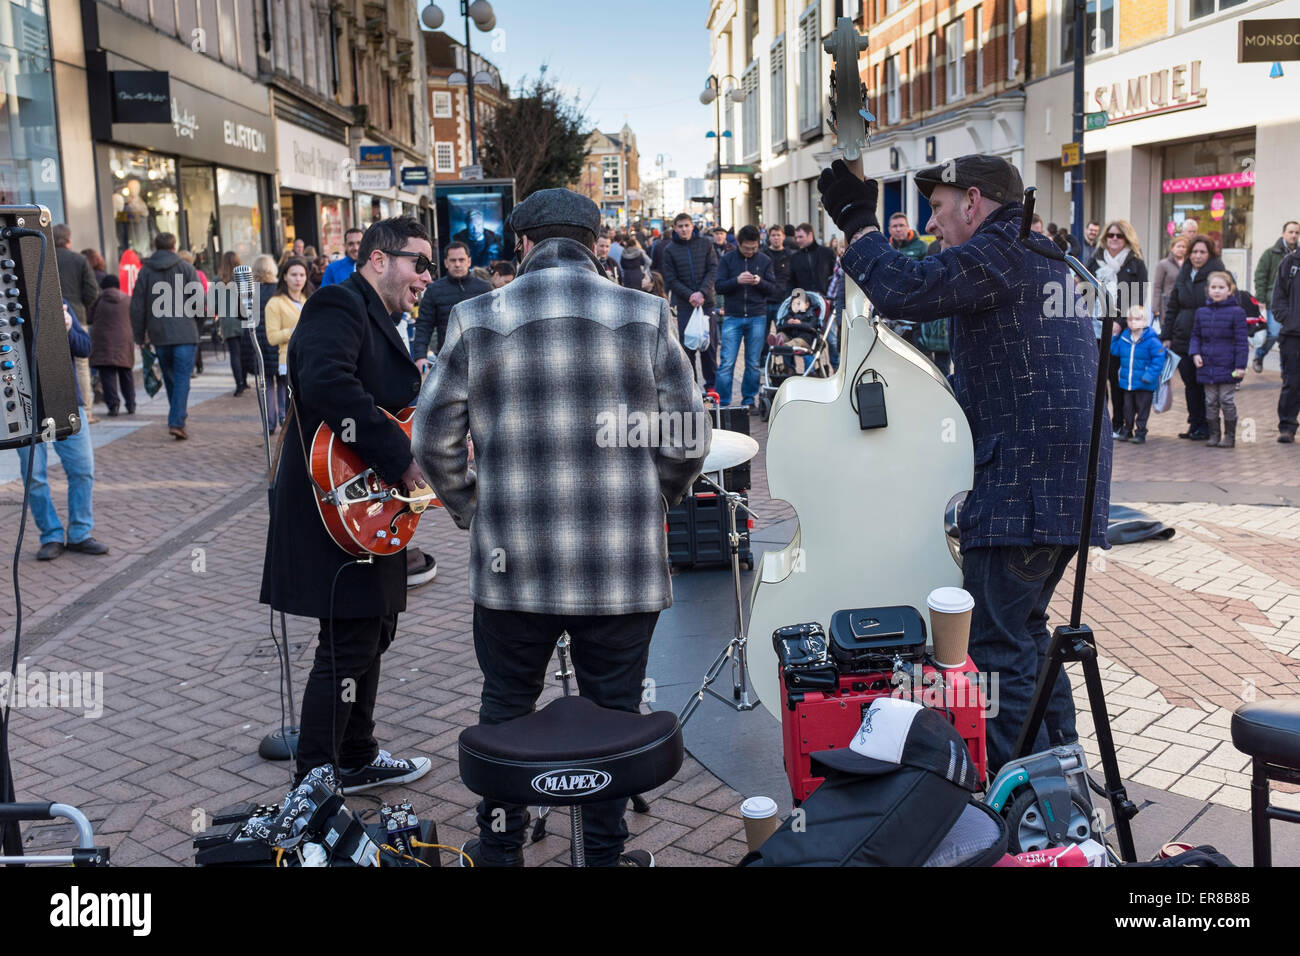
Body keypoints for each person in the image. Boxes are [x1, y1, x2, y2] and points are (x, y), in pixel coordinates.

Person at [412, 187, 710, 867]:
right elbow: (689, 436)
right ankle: (603, 855)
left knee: (506, 708)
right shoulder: (645, 313)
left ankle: (499, 849)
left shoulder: (475, 315)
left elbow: (431, 441)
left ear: (522, 243)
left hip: (511, 565)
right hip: (620, 566)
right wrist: (652, 496)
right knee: (613, 719)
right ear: (595, 241)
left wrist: (473, 507)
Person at [817, 153, 1110, 775]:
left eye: (940, 208)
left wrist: (858, 224)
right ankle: (1060, 777)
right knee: (1028, 634)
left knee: (996, 649)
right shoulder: (1033, 253)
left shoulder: (1001, 251)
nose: (933, 222)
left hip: (1025, 494)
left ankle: (1010, 794)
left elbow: (908, 287)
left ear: (973, 201)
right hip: (1056, 490)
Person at [261, 217, 435, 792]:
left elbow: (370, 391)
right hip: (334, 507)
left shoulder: (379, 316)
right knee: (346, 642)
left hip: (367, 506)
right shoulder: (339, 302)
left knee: (374, 627)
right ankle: (313, 782)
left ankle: (356, 755)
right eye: (419, 262)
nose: (426, 277)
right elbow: (328, 385)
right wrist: (400, 459)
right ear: (380, 259)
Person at [17, 301, 109, 560]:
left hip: (64, 398)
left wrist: (69, 328)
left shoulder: (56, 300)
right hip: (24, 404)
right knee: (33, 474)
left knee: (82, 468)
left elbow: (85, 347)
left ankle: (80, 533)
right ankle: (51, 534)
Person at [130, 232, 201, 440]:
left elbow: (137, 307)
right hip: (185, 333)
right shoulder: (186, 268)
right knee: (181, 378)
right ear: (174, 246)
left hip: (159, 333)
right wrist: (196, 323)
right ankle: (177, 420)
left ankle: (177, 416)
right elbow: (198, 301)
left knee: (171, 378)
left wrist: (139, 335)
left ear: (155, 246)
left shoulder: (145, 272)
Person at [1086, 220, 1149, 434]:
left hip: (1120, 329)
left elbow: (1138, 297)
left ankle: (1120, 422)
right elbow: (1085, 291)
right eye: (1111, 235)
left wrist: (1121, 322)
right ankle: (1101, 423)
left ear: (1127, 239)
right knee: (1097, 380)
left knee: (1116, 377)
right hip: (1095, 325)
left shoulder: (1136, 263)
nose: (1114, 239)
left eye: (1119, 236)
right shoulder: (1094, 260)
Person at [1164, 236, 1224, 441]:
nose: (1198, 256)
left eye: (1202, 252)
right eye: (1195, 252)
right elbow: (1172, 306)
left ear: (1210, 254)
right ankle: (1194, 424)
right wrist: (1167, 335)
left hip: (1207, 336)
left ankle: (1208, 426)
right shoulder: (1184, 273)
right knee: (1189, 382)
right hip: (1182, 334)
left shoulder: (1216, 274)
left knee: (1204, 383)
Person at [714, 225, 776, 408]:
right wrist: (736, 281)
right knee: (727, 362)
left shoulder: (764, 260)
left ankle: (749, 400)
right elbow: (718, 286)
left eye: (754, 248)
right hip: (733, 316)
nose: (750, 252)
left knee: (753, 362)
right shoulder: (727, 260)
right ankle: (723, 403)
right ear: (738, 244)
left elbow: (772, 289)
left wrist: (759, 282)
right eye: (747, 248)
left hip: (757, 316)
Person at [1189, 272, 1249, 448]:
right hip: (1207, 365)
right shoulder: (1202, 312)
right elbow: (1196, 336)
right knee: (1210, 401)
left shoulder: (1237, 312)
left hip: (1228, 365)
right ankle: (1214, 434)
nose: (1217, 291)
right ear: (1208, 290)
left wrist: (1240, 366)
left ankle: (1230, 436)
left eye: (1221, 287)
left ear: (1229, 290)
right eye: (1213, 287)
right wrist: (1195, 353)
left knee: (1227, 400)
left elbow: (1241, 342)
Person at [661, 212, 719, 392]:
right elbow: (671, 278)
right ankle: (692, 387)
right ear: (675, 229)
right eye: (680, 226)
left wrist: (702, 292)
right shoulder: (670, 250)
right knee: (688, 348)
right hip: (686, 305)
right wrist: (690, 295)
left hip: (706, 302)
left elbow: (713, 269)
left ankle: (711, 386)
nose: (684, 229)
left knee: (709, 347)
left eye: (687, 225)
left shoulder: (705, 244)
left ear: (692, 226)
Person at [413, 241, 492, 369]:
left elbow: (494, 325)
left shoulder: (485, 288)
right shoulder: (434, 290)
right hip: (447, 362)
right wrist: (420, 357)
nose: (457, 264)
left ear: (469, 261)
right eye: (453, 260)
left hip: (481, 360)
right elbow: (423, 325)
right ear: (446, 263)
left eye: (461, 260)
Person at [54, 224, 100, 425]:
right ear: (69, 240)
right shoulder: (79, 259)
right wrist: (81, 306)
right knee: (81, 365)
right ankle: (85, 411)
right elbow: (92, 290)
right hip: (75, 313)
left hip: (50, 311)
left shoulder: (45, 257)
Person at [264, 257, 311, 434]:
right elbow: (272, 337)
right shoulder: (275, 303)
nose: (298, 279)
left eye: (302, 275)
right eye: (293, 275)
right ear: (284, 276)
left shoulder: (310, 298)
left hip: (311, 359)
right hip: (289, 361)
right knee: (292, 410)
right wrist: (294, 331)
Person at [1110, 305, 1166, 444]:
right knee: (1127, 408)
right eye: (1129, 319)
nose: (1133, 322)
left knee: (1142, 410)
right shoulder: (1125, 337)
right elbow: (1115, 351)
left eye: (1137, 319)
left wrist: (1149, 375)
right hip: (1127, 382)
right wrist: (1114, 337)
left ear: (1145, 321)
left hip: (1145, 383)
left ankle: (1140, 432)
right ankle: (1127, 429)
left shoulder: (1152, 340)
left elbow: (1159, 360)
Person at [1252, 220, 1300, 372]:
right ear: (1283, 234)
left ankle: (1284, 368)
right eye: (1291, 232)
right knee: (1274, 334)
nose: (1294, 235)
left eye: (1297, 233)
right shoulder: (1271, 253)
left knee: (1287, 336)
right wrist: (1260, 298)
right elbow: (1260, 275)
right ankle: (1259, 354)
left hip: (1295, 304)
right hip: (1274, 301)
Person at [87, 275, 135, 417]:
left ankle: (113, 405)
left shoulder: (98, 300)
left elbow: (89, 318)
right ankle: (131, 404)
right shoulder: (128, 300)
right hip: (125, 342)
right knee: (126, 373)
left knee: (107, 376)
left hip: (104, 342)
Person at [250, 255, 283, 429]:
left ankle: (270, 422)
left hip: (260, 343)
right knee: (283, 381)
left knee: (267, 383)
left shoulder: (251, 292)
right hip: (278, 341)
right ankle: (284, 416)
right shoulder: (279, 290)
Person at [1272, 246, 1300, 443]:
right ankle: (1287, 426)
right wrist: (1289, 319)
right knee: (1292, 382)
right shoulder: (1290, 263)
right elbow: (1278, 297)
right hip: (1293, 335)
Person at [215, 251, 252, 397]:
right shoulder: (243, 280)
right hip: (244, 318)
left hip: (228, 321)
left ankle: (239, 385)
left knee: (235, 354)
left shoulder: (218, 281)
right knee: (244, 352)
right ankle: (244, 380)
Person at [1151, 236, 1188, 336]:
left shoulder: (1189, 264)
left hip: (1185, 303)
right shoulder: (1163, 264)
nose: (1181, 249)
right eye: (1179, 246)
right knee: (1167, 331)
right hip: (1167, 303)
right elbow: (1157, 286)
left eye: (1184, 247)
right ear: (1172, 248)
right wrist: (1155, 307)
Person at [789, 222, 836, 296]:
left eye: (801, 237)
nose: (797, 240)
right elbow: (792, 282)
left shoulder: (827, 253)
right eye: (796, 238)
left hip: (826, 299)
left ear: (810, 235)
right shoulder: (794, 257)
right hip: (803, 301)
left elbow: (834, 276)